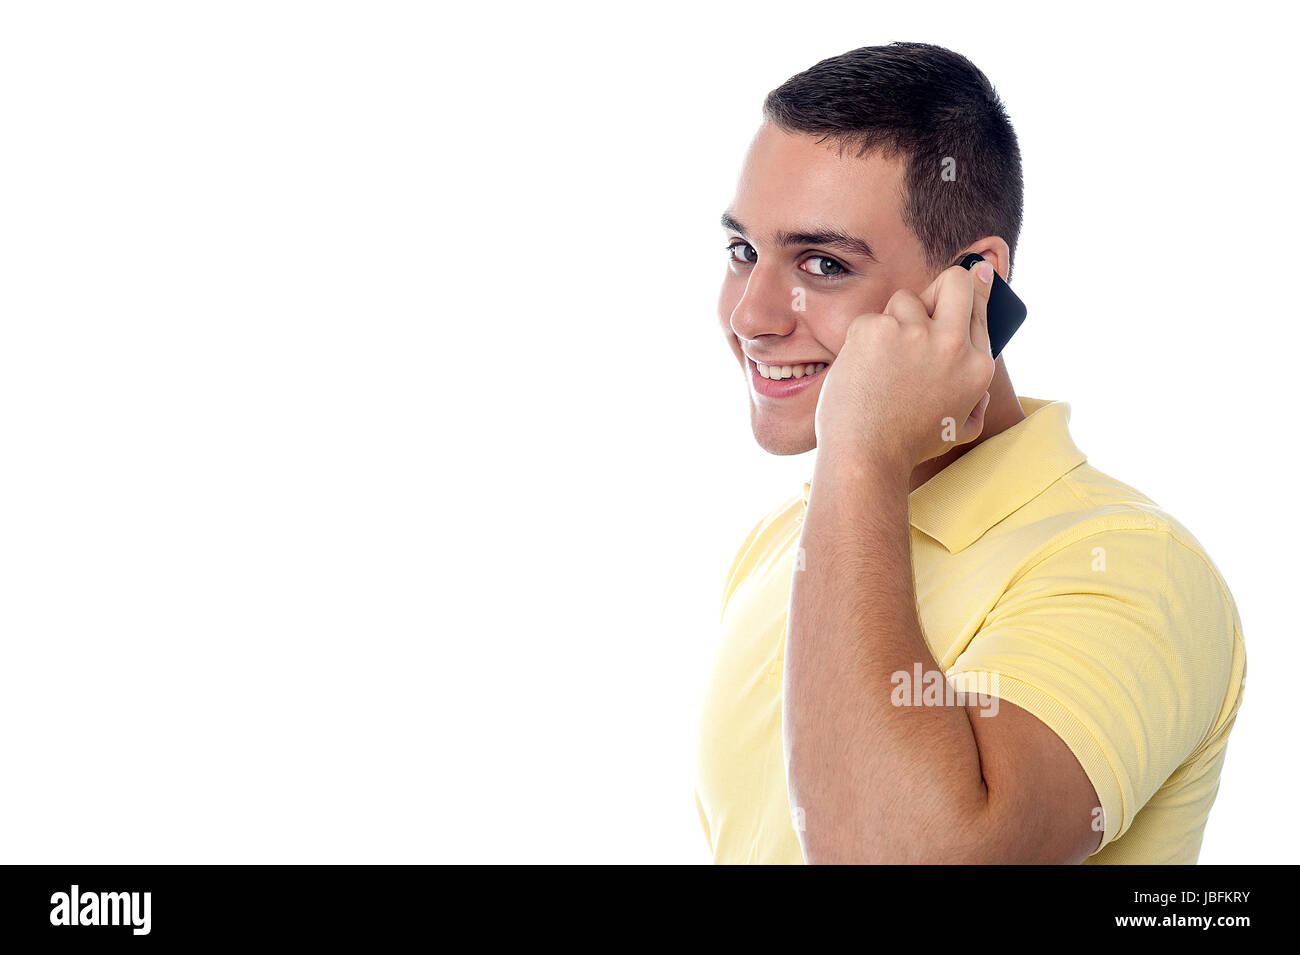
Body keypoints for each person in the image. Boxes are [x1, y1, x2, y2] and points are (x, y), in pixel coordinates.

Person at [694, 41, 1246, 864]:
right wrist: (857, 474)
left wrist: (861, 456)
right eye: (744, 251)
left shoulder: (1132, 565)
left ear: (974, 280)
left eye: (822, 262)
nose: (752, 315)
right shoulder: (791, 541)